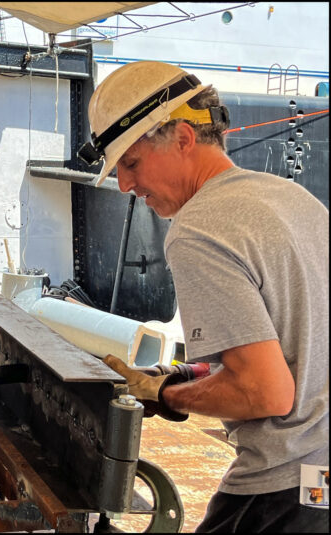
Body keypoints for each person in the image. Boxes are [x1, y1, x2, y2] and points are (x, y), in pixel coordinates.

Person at [79, 61, 328, 532]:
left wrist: (169, 394)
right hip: (322, 483)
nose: (126, 186)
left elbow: (265, 391)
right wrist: (175, 374)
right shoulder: (294, 201)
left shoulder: (198, 231)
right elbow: (295, 349)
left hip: (282, 492)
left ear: (183, 139)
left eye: (130, 163)